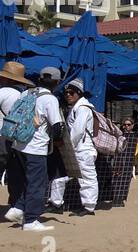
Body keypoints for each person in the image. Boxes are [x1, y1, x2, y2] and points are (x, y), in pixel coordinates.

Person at [4, 67, 64, 231]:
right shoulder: (50, 99)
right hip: (35, 148)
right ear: (57, 82)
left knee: (26, 181)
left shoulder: (27, 93)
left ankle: (17, 209)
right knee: (38, 183)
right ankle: (30, 221)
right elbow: (57, 126)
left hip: (18, 145)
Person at [48, 79, 98, 217]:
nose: (68, 95)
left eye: (71, 92)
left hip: (82, 149)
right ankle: (56, 203)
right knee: (62, 175)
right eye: (66, 93)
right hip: (77, 148)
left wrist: (68, 147)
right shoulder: (78, 107)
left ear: (79, 94)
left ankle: (89, 207)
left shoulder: (82, 108)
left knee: (87, 178)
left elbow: (78, 131)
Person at [0, 61, 33, 204]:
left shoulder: (2, 92)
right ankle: (16, 205)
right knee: (15, 174)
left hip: (1, 137)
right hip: (17, 140)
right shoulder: (24, 96)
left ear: (7, 78)